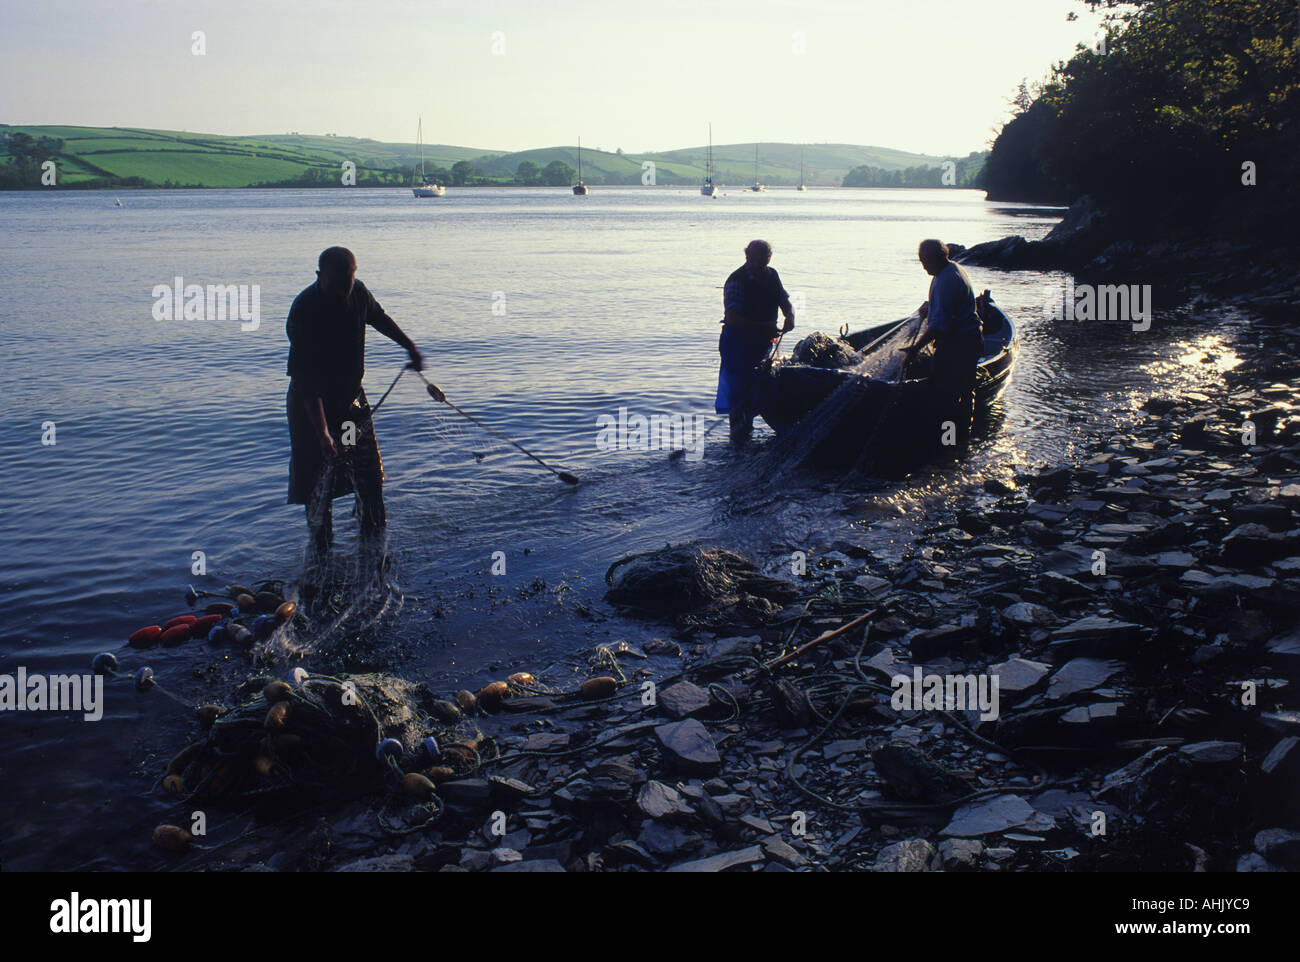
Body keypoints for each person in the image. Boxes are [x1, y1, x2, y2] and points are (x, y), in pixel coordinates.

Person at [285, 247, 426, 558]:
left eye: (347, 283)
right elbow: (307, 385)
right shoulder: (304, 311)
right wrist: (322, 434)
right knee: (318, 483)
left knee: (365, 474)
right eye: (335, 284)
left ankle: (374, 547)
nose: (341, 291)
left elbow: (379, 318)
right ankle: (321, 554)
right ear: (320, 276)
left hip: (349, 407)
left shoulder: (358, 294)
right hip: (312, 414)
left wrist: (409, 346)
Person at [901, 239, 985, 456]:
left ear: (938, 257)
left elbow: (939, 327)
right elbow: (949, 307)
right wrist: (930, 306)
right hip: (970, 339)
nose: (923, 266)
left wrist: (915, 348)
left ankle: (947, 444)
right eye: (921, 261)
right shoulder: (951, 270)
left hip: (960, 345)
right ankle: (960, 441)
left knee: (946, 395)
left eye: (925, 261)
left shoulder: (945, 281)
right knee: (965, 392)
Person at [716, 240, 795, 442]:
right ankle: (738, 439)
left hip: (762, 344)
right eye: (753, 258)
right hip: (737, 344)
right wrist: (764, 326)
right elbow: (732, 318)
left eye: (762, 258)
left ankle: (748, 434)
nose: (757, 263)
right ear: (746, 256)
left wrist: (790, 316)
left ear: (769, 258)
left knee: (757, 389)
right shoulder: (737, 280)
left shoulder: (772, 275)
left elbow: (785, 301)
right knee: (738, 394)